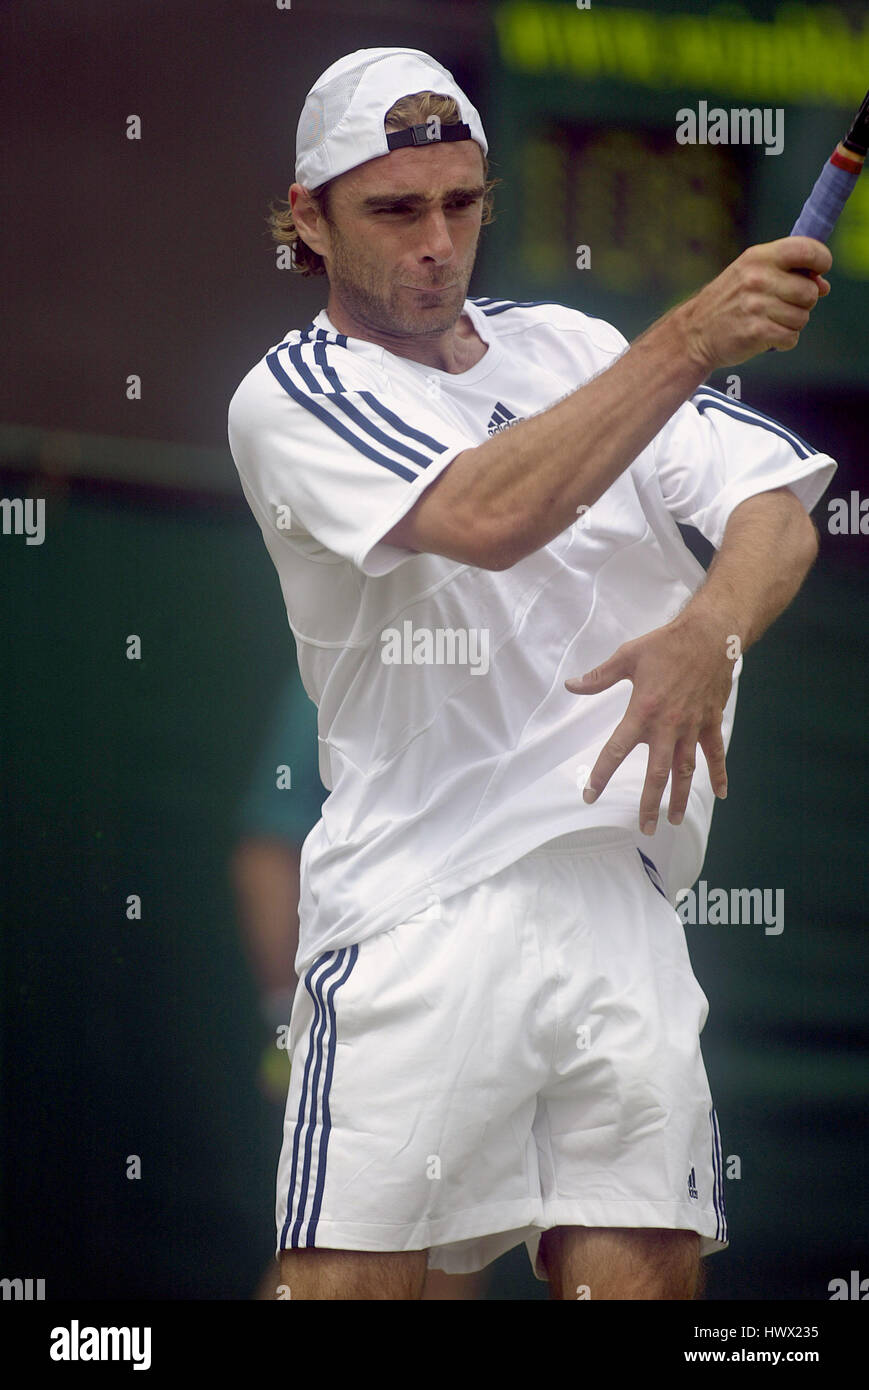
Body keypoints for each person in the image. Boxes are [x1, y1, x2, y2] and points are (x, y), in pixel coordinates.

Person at [227, 47, 837, 1300]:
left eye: (461, 202)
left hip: (620, 902)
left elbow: (774, 506)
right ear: (307, 218)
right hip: (415, 912)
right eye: (395, 210)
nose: (437, 242)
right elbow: (489, 513)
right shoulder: (290, 396)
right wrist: (686, 339)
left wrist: (709, 630)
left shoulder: (570, 344)